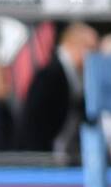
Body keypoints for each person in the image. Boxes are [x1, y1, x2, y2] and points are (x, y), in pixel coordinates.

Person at [17, 22, 99, 157]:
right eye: (91, 48)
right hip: (40, 160)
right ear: (74, 44)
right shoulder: (50, 75)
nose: (95, 55)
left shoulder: (74, 76)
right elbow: (34, 124)